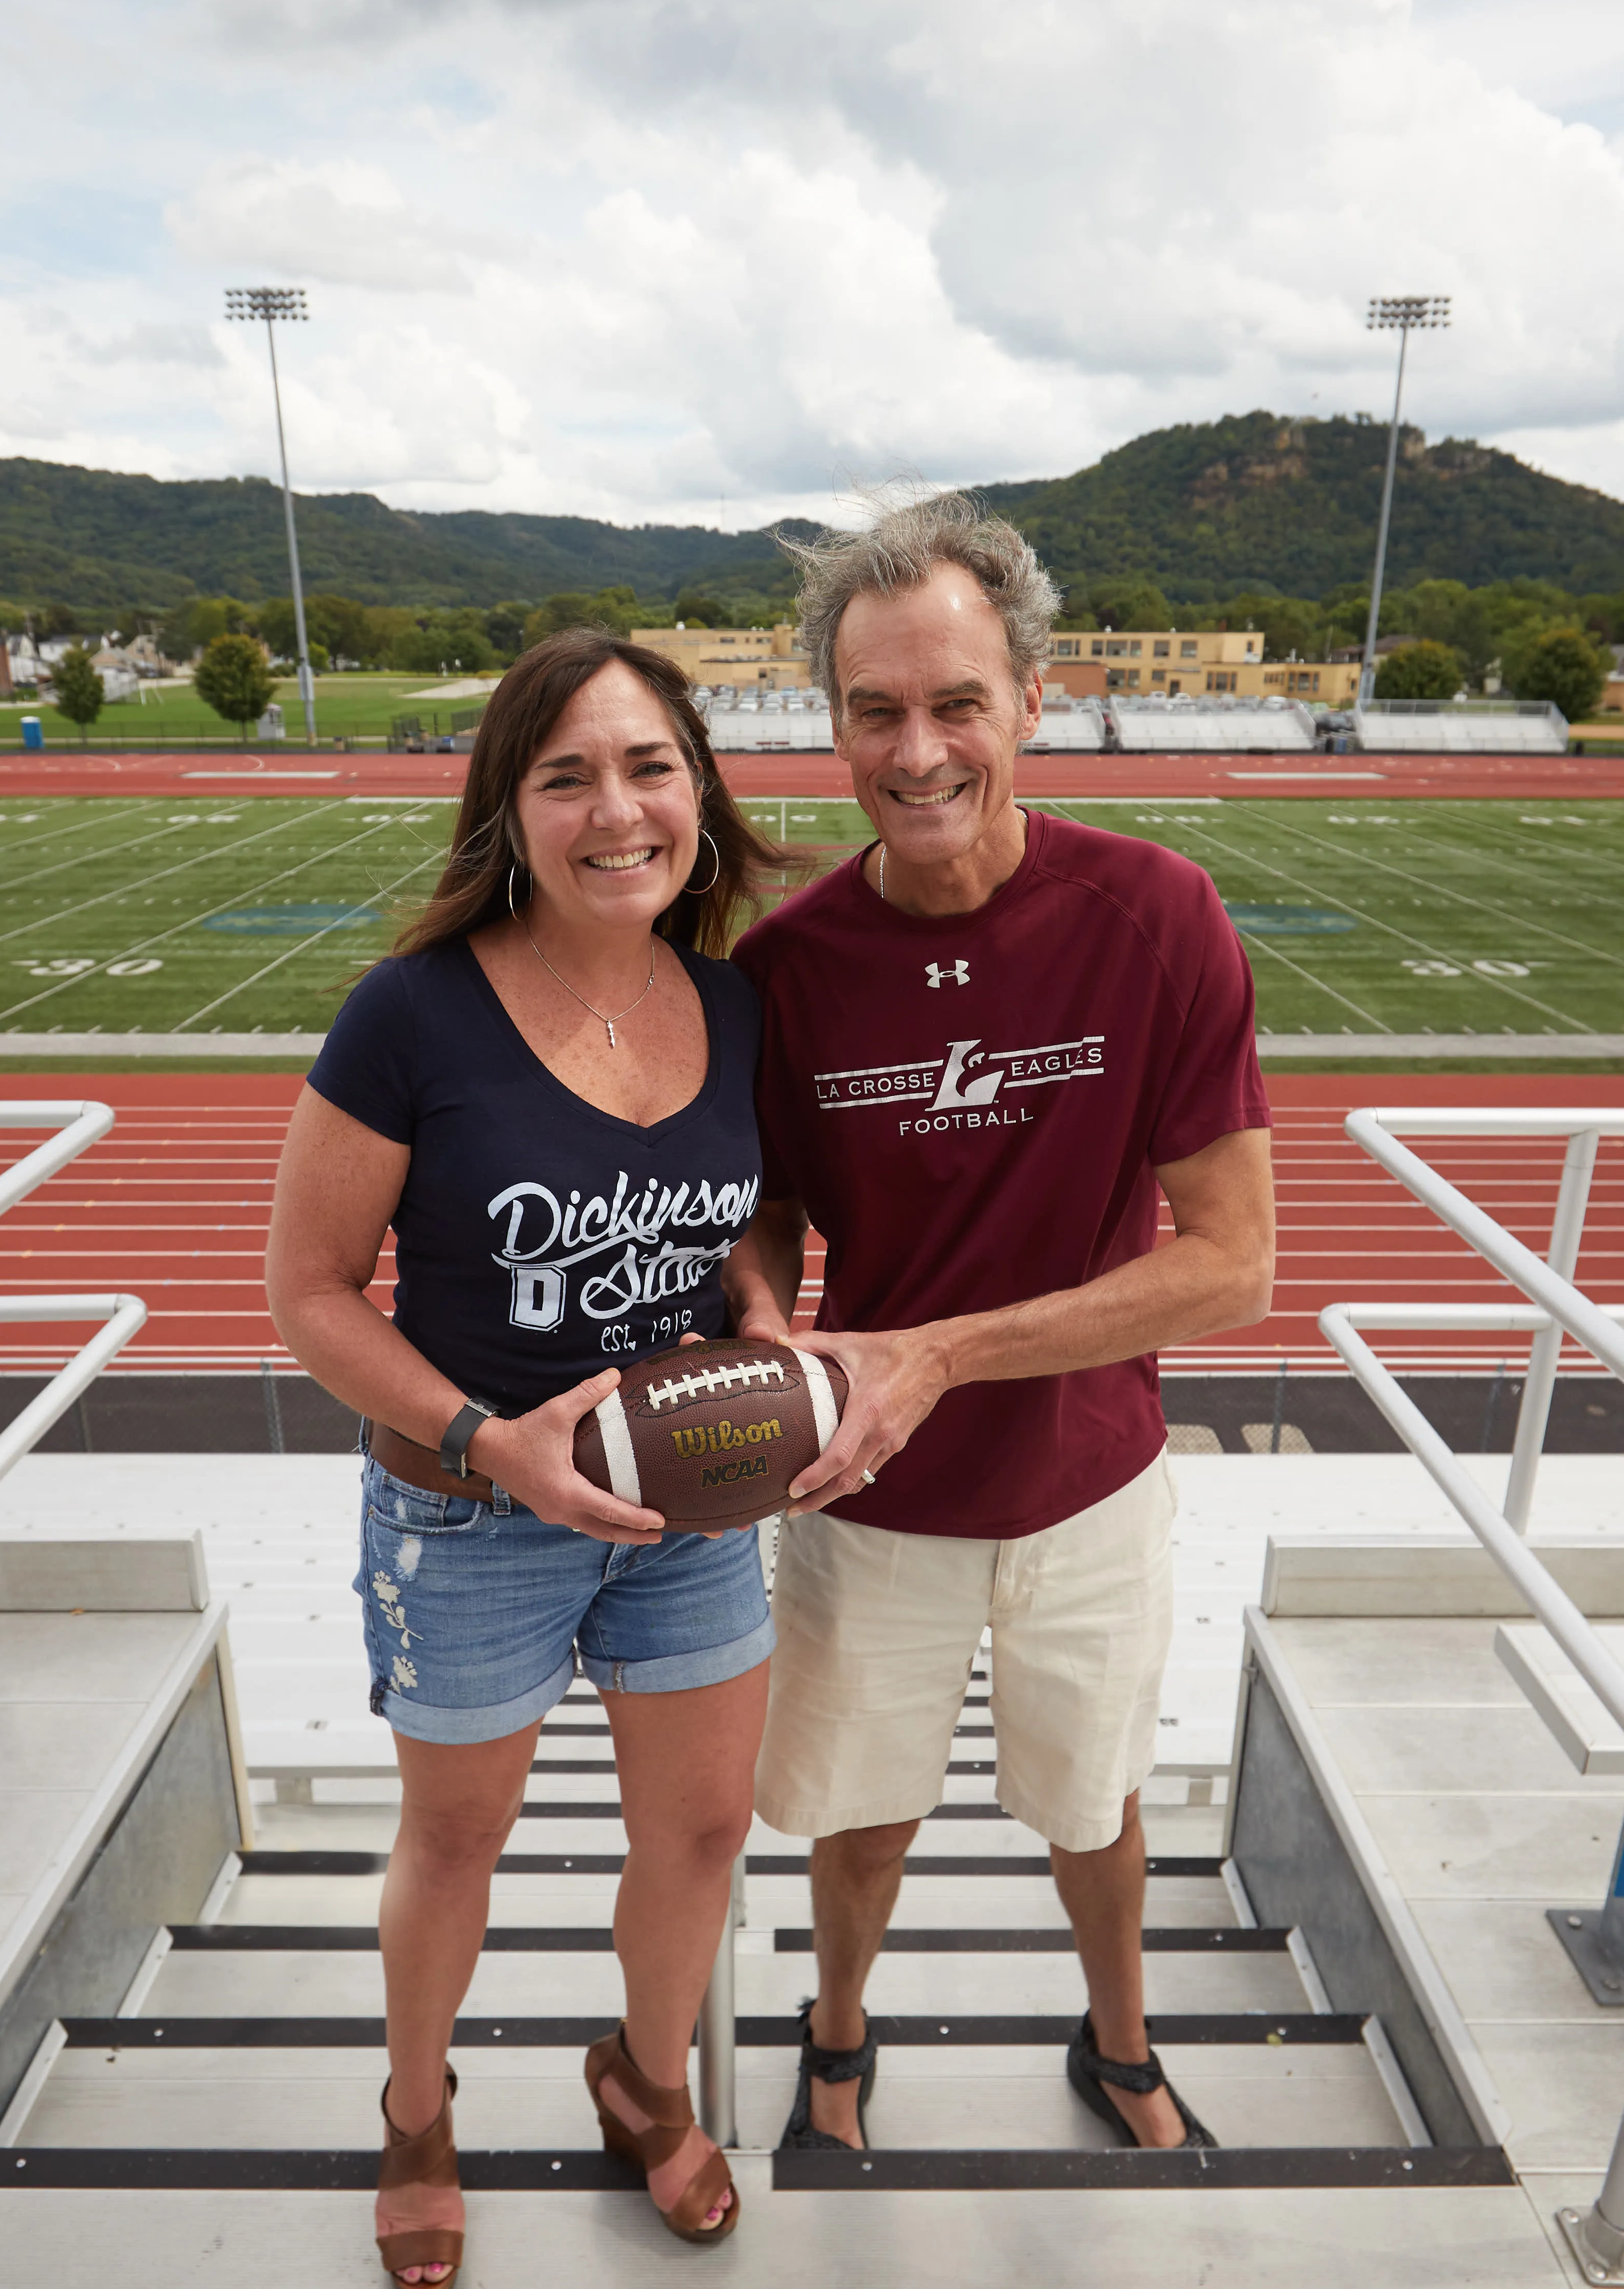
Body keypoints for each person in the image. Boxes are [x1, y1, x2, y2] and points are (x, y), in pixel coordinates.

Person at [723, 493, 1276, 2156]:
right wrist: (763, 1314)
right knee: (858, 1806)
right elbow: (767, 1212)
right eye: (875, 708)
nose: (918, 748)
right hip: (866, 1497)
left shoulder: (1159, 915)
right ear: (830, 723)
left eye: (956, 700)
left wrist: (940, 1351)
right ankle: (835, 2033)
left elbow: (1232, 1264)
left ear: (1034, 699)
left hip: (1089, 1480)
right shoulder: (789, 967)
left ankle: (1117, 2039)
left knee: (1094, 1802)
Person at [267, 629, 788, 2282]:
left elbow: (750, 1215)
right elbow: (306, 1292)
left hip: (688, 1505)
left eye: (649, 766)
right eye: (568, 775)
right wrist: (494, 1439)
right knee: (458, 1839)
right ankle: (416, 2110)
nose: (617, 808)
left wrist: (769, 1323)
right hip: (473, 1513)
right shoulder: (410, 1013)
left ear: (696, 786)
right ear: (510, 808)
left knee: (705, 1830)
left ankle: (644, 2079)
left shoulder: (729, 1001)